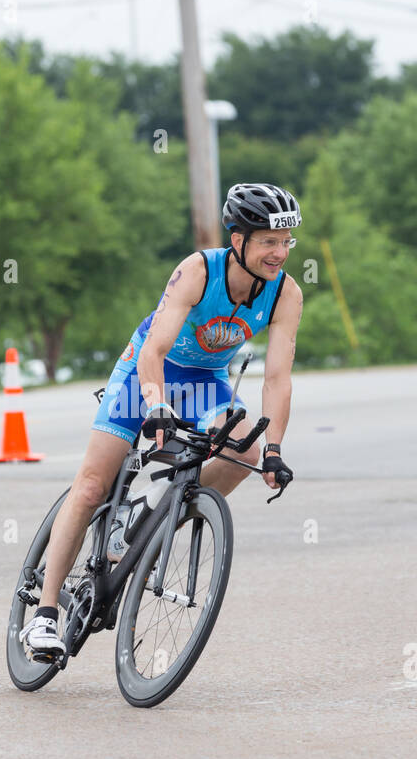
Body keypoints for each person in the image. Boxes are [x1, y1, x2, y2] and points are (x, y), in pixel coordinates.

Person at [19, 181, 303, 661]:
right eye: (269, 241)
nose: (280, 253)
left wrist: (274, 448)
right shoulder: (198, 270)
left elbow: (277, 378)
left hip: (203, 379)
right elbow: (156, 347)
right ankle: (46, 616)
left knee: (244, 452)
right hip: (146, 371)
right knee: (91, 486)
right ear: (239, 239)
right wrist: (154, 407)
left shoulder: (285, 293)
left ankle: (152, 513)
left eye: (286, 242)